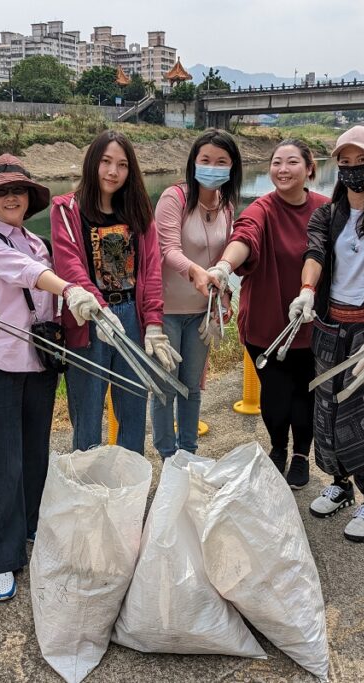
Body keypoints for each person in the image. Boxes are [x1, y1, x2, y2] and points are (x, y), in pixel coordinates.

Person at [0, 154, 106, 602]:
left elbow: (44, 292)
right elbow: (28, 276)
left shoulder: (37, 243)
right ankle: (1, 559)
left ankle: (29, 529)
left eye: (19, 190)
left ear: (29, 198)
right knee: (0, 464)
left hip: (38, 363)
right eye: (2, 191)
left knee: (33, 457)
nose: (11, 197)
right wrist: (68, 288)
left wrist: (78, 303)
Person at [290, 126, 364, 543]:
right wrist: (306, 291)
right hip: (330, 326)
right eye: (346, 163)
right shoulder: (328, 215)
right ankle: (339, 482)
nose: (354, 171)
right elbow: (315, 252)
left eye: (363, 163)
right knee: (329, 408)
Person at [208, 139, 329, 488]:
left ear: (310, 169)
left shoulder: (326, 209)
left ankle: (302, 455)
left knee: (305, 395)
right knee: (276, 398)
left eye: (292, 162)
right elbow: (245, 235)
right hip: (266, 324)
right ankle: (278, 446)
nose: (282, 169)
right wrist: (223, 267)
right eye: (276, 162)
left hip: (310, 323)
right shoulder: (262, 208)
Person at [51, 130, 177, 455]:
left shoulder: (138, 211)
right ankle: (89, 488)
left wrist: (153, 322)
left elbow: (150, 271)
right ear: (92, 163)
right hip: (90, 319)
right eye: (106, 162)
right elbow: (69, 266)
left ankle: (127, 484)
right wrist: (97, 307)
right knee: (88, 412)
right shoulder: (66, 211)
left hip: (130, 316)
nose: (112, 172)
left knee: (133, 407)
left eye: (122, 165)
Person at [151, 129, 242, 459]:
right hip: (166, 311)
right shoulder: (174, 198)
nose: (213, 167)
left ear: (232, 167)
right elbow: (166, 249)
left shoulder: (227, 206)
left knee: (192, 386)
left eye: (221, 161)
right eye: (205, 160)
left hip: (202, 312)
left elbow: (223, 261)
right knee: (165, 387)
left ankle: (187, 453)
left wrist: (225, 297)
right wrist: (195, 271)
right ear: (193, 163)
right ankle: (166, 455)